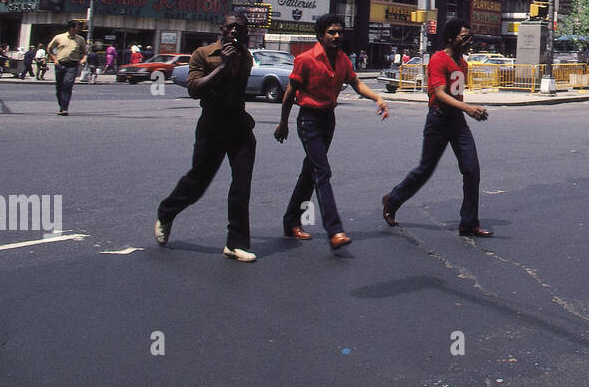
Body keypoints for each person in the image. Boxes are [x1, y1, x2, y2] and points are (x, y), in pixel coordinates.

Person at [275, 13, 388, 250]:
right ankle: (334, 230)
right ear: (320, 35)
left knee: (311, 173)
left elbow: (356, 84)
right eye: (331, 32)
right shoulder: (305, 60)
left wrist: (377, 97)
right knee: (322, 172)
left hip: (328, 120)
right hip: (308, 120)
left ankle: (290, 221)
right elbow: (289, 93)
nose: (337, 36)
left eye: (339, 32)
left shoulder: (343, 59)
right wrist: (283, 123)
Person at [154, 14, 258, 262]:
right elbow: (194, 89)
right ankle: (167, 212)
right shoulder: (202, 54)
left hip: (239, 126)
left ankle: (236, 243)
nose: (235, 31)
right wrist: (222, 67)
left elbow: (238, 90)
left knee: (241, 184)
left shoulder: (247, 57)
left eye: (240, 29)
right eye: (231, 27)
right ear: (221, 29)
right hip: (212, 125)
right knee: (198, 182)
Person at [381, 19, 493, 238]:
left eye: (470, 38)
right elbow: (439, 94)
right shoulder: (438, 60)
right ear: (451, 38)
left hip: (457, 121)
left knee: (472, 170)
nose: (468, 42)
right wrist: (468, 108)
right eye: (464, 38)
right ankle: (392, 200)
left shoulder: (463, 64)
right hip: (438, 119)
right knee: (425, 169)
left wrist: (464, 110)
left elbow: (456, 93)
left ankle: (468, 223)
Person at [46, 20, 87, 115]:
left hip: (72, 65)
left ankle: (64, 108)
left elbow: (85, 52)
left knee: (67, 85)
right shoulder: (59, 37)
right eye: (78, 27)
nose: (79, 29)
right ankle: (62, 106)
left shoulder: (80, 39)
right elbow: (49, 48)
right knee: (59, 87)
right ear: (71, 28)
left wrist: (83, 59)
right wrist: (54, 59)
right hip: (60, 64)